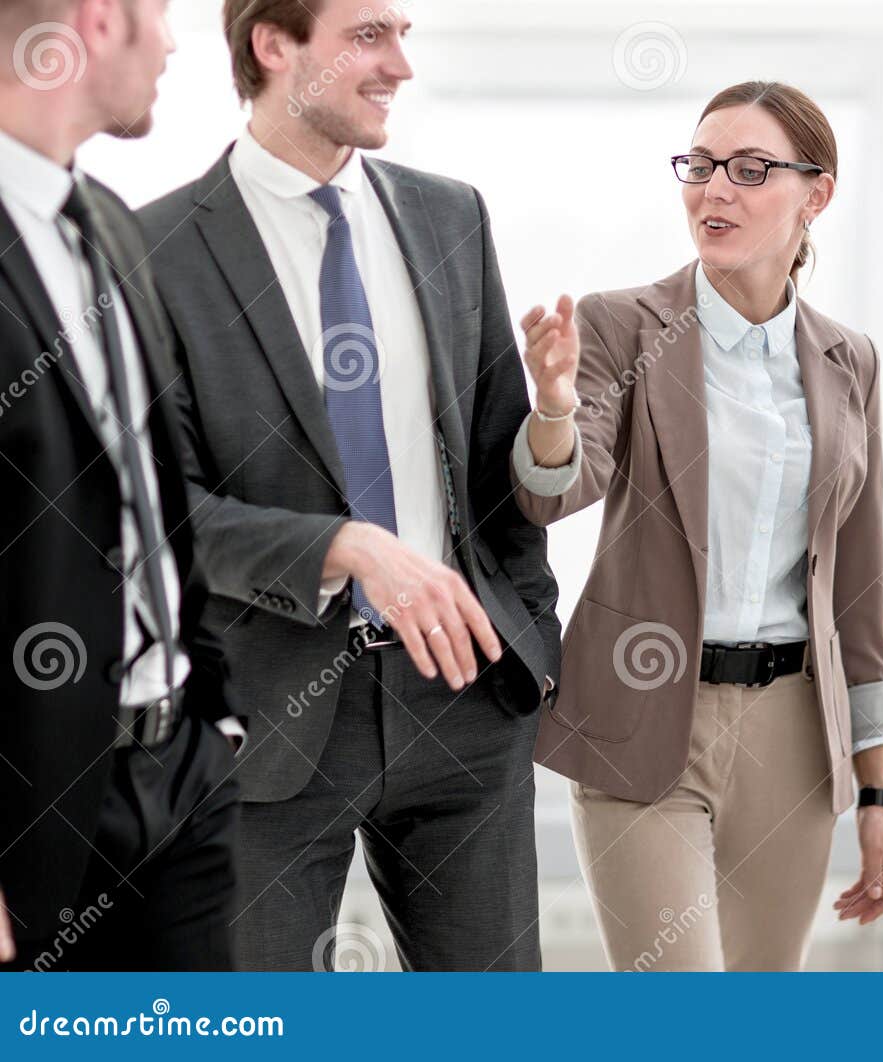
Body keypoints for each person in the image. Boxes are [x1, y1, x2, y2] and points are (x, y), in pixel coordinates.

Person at [137, 0, 566, 971]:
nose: (401, 66)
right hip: (268, 721)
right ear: (274, 45)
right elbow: (158, 515)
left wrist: (528, 636)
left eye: (403, 34)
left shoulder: (449, 214)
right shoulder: (152, 252)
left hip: (464, 693)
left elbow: (499, 462)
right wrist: (344, 545)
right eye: (369, 36)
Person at [514, 81, 883, 971]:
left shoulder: (852, 361)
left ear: (817, 194)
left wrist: (880, 795)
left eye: (750, 169)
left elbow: (860, 592)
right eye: (700, 165)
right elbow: (551, 496)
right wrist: (555, 405)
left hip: (795, 734)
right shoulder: (619, 324)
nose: (714, 189)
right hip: (645, 717)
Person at [0, 0, 240, 971]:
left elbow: (156, 485)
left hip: (181, 782)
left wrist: (216, 714)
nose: (177, 42)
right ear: (99, 19)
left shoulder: (107, 226)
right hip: (29, 819)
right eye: (165, 12)